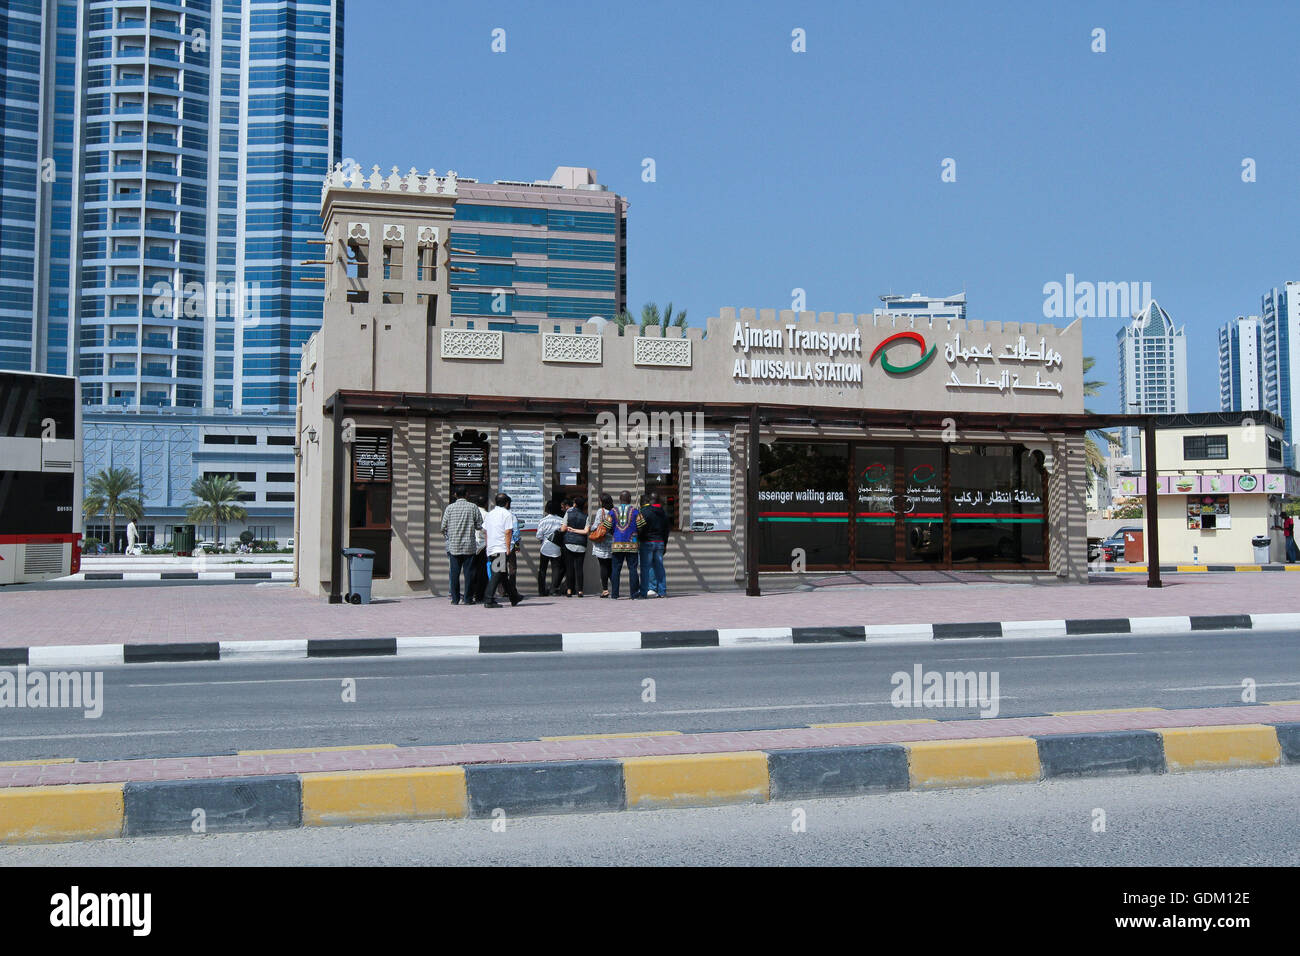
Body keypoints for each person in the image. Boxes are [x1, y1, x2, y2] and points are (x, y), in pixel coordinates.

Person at [440, 485, 483, 605]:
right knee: (469, 574)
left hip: (454, 546)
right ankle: (468, 599)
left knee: (454, 574)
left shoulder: (450, 508)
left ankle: (455, 599)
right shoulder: (473, 507)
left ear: (455, 495)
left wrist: (449, 537)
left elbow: (443, 527)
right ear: (467, 494)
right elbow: (480, 525)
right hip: (469, 546)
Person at [602, 490, 645, 599]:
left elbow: (606, 527)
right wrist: (636, 534)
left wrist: (615, 533)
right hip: (632, 544)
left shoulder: (612, 511)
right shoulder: (635, 511)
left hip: (617, 544)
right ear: (629, 499)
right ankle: (634, 594)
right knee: (633, 569)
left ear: (620, 499)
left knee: (616, 569)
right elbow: (641, 526)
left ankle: (615, 594)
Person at [482, 493, 522, 608]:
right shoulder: (507, 514)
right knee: (496, 574)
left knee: (503, 575)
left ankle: (514, 597)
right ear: (507, 503)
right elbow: (508, 532)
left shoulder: (490, 514)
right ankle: (488, 599)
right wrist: (508, 548)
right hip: (501, 548)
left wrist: (488, 545)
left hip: (492, 548)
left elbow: (485, 531)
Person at [638, 493, 670, 598]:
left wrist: (640, 538)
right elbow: (667, 531)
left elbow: (640, 528)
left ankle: (644, 592)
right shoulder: (664, 513)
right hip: (660, 542)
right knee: (659, 567)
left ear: (649, 500)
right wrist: (664, 543)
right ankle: (662, 591)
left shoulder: (645, 512)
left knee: (645, 568)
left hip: (647, 542)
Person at [535, 500, 566, 596]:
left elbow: (538, 535)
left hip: (545, 547)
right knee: (556, 568)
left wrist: (543, 539)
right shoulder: (561, 520)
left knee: (542, 569)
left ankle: (541, 590)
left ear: (547, 509)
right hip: (556, 548)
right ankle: (553, 589)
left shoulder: (543, 521)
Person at [561, 496, 590, 597]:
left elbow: (563, 528)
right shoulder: (586, 516)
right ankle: (580, 591)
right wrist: (577, 531)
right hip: (581, 545)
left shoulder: (568, 513)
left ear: (575, 504)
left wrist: (571, 529)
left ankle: (569, 590)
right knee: (579, 568)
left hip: (569, 543)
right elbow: (586, 531)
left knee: (569, 568)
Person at [590, 493, 614, 598]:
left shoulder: (601, 511)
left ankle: (605, 590)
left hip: (601, 542)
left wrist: (590, 528)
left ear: (602, 501)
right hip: (612, 542)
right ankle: (615, 587)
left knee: (603, 567)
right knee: (611, 568)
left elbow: (596, 526)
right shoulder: (614, 511)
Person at [470, 494, 489, 604]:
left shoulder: (472, 512)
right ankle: (479, 595)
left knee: (471, 571)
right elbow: (487, 530)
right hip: (483, 546)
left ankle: (471, 593)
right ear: (486, 503)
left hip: (472, 545)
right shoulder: (487, 514)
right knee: (482, 572)